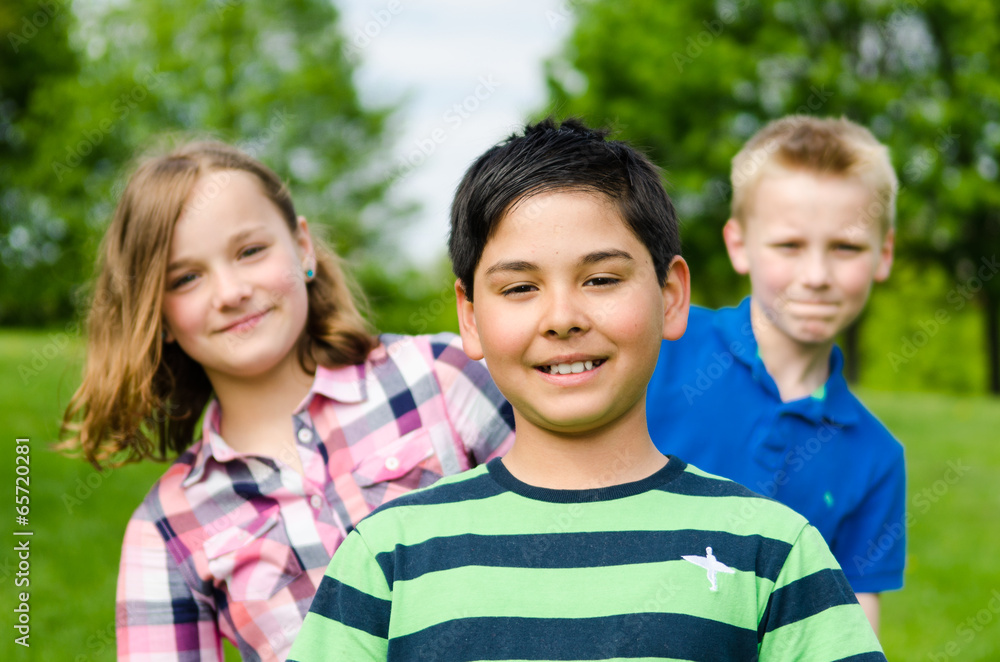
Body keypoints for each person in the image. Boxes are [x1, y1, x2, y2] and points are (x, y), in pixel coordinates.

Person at [288, 118, 886, 661]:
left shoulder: (774, 554)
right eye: (520, 288)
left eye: (601, 279)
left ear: (672, 295)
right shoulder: (386, 557)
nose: (563, 317)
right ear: (469, 316)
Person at [59, 141, 515, 661]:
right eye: (186, 278)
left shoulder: (443, 375)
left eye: (250, 251)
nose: (230, 291)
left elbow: (587, 525)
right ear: (157, 313)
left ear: (302, 248)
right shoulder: (165, 527)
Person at [645, 115, 905, 633]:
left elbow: (851, 618)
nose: (816, 276)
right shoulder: (659, 345)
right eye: (789, 245)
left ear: (884, 254)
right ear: (739, 244)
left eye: (846, 247)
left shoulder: (877, 456)